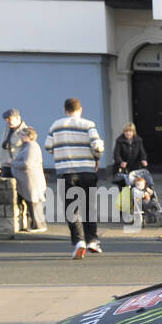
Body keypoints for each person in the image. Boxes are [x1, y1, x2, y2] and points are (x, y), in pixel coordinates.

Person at [44, 97, 105, 258]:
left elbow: (48, 147)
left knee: (72, 209)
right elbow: (97, 146)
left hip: (66, 172)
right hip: (87, 171)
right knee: (88, 208)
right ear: (80, 109)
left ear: (65, 110)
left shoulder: (56, 126)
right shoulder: (88, 125)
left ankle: (79, 241)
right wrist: (97, 157)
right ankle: (92, 240)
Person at [0, 109, 32, 231]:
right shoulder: (7, 129)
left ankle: (26, 221)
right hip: (6, 166)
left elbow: (29, 151)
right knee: (9, 196)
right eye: (6, 120)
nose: (8, 122)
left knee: (22, 195)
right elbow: (1, 147)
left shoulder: (26, 131)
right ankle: (12, 223)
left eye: (10, 119)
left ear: (18, 118)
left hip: (18, 167)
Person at [11, 126, 49, 233]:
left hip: (31, 181)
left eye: (22, 135)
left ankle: (39, 225)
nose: (20, 137)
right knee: (31, 202)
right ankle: (35, 224)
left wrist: (12, 163)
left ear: (29, 136)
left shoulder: (31, 147)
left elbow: (27, 164)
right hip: (28, 181)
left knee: (33, 202)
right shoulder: (27, 146)